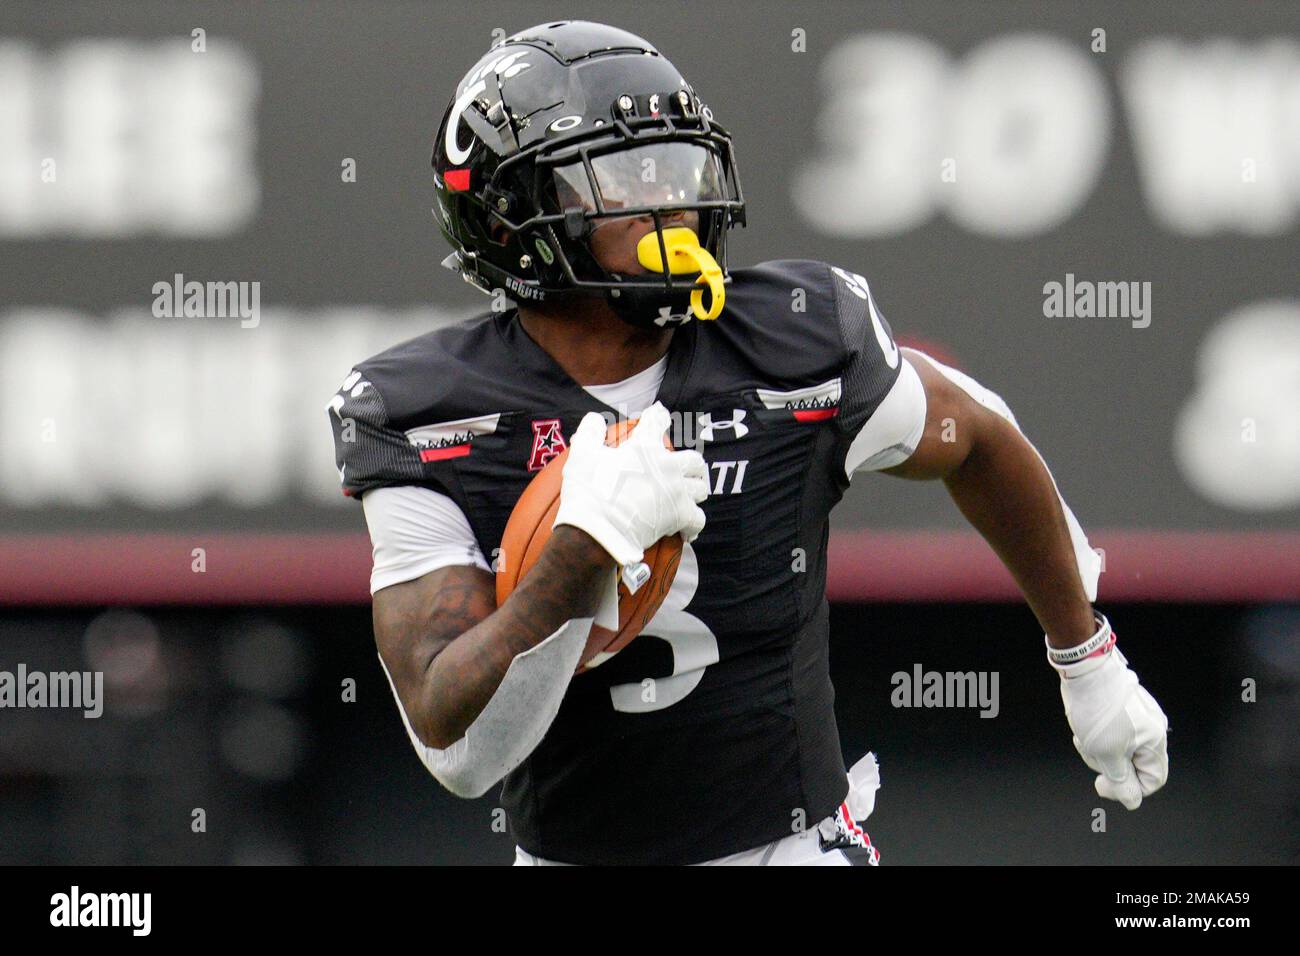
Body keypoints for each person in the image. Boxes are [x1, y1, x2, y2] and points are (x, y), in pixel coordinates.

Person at [328, 19, 1168, 866]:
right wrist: (578, 555)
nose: (671, 203)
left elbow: (977, 437)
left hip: (791, 850)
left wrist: (1087, 655)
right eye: (620, 178)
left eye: (676, 167)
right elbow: (458, 748)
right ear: (513, 219)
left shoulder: (794, 341)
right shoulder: (425, 415)